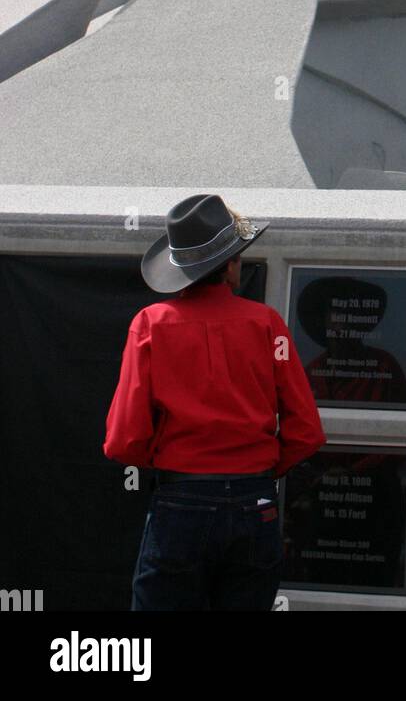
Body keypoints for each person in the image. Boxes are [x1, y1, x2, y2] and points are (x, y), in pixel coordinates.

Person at [104, 193, 326, 611]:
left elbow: (123, 440)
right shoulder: (267, 324)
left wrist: (171, 461)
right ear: (227, 266)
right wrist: (258, 470)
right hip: (254, 502)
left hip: (181, 502)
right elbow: (307, 431)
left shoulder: (149, 325)